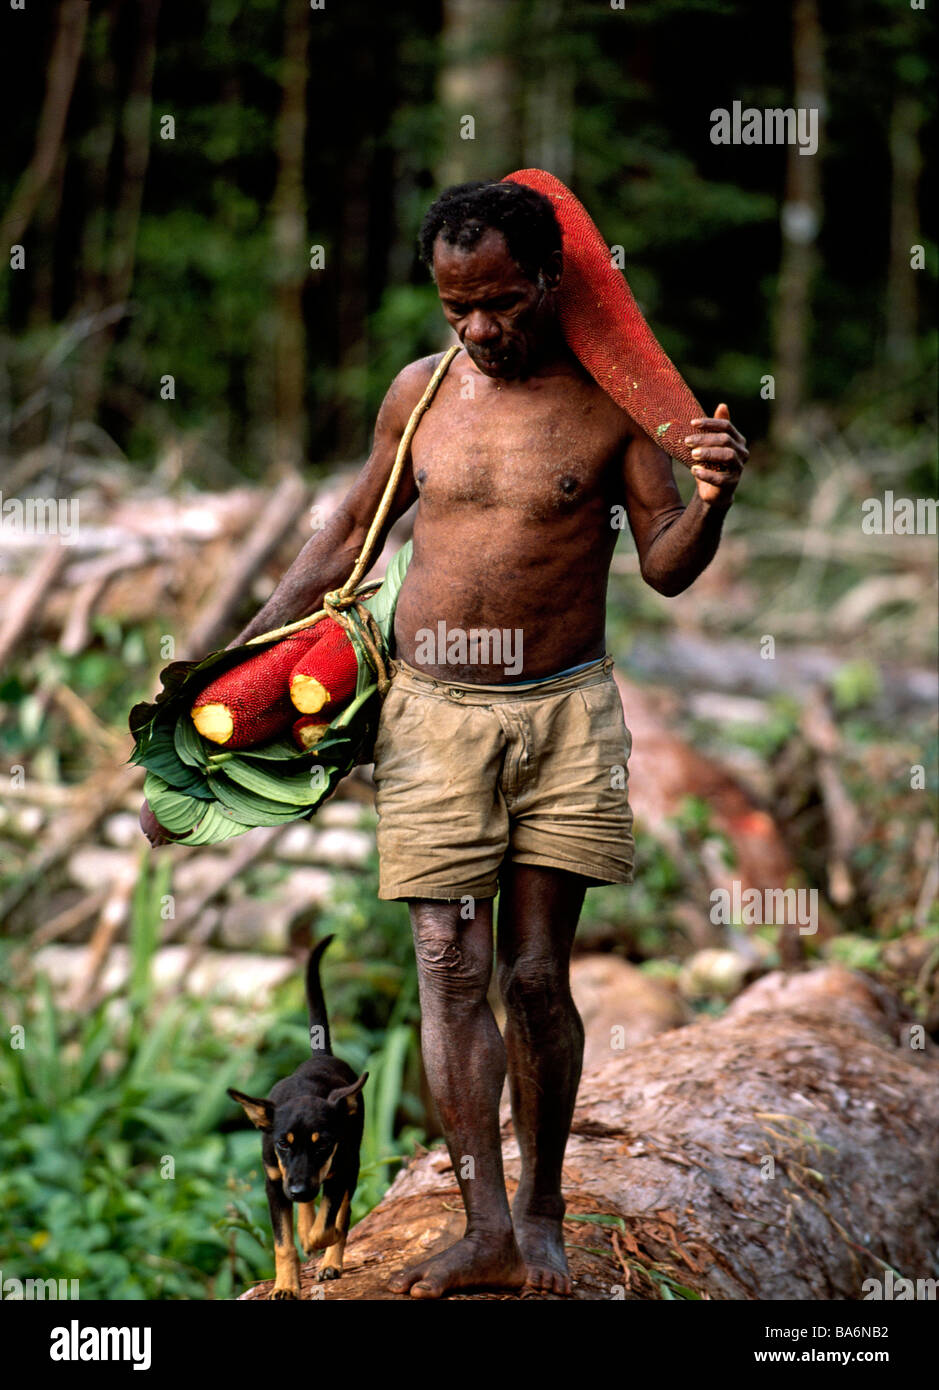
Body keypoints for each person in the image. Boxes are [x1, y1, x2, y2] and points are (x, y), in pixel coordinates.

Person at [145, 178, 748, 1297]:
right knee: (446, 965)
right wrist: (215, 692)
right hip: (429, 712)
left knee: (532, 975)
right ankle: (482, 1229)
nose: (480, 328)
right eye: (456, 306)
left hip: (562, 712)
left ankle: (545, 1214)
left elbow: (664, 564)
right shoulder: (420, 397)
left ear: (552, 282)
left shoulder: (613, 402)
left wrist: (710, 499)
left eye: (503, 302)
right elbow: (339, 544)